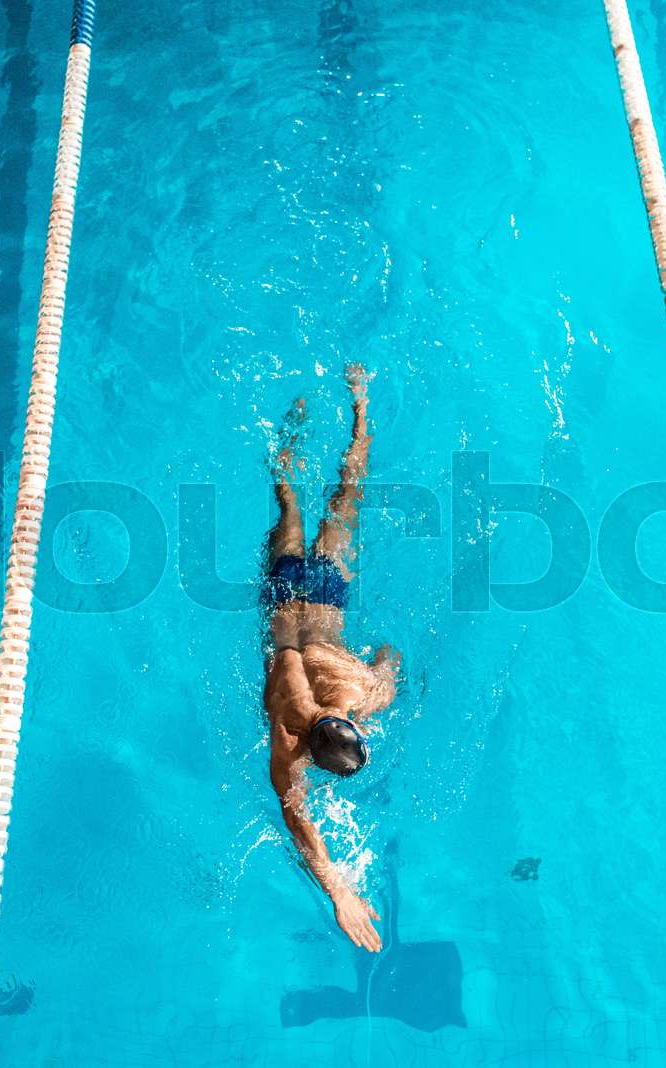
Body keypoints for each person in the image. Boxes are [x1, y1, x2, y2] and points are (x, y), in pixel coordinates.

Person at [262, 364, 399, 952]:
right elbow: (297, 822)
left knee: (341, 499)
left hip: (325, 599)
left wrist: (383, 678)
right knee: (298, 504)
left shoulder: (361, 694)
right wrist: (339, 890)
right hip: (287, 598)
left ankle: (356, 410)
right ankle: (357, 409)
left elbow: (389, 657)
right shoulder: (291, 735)